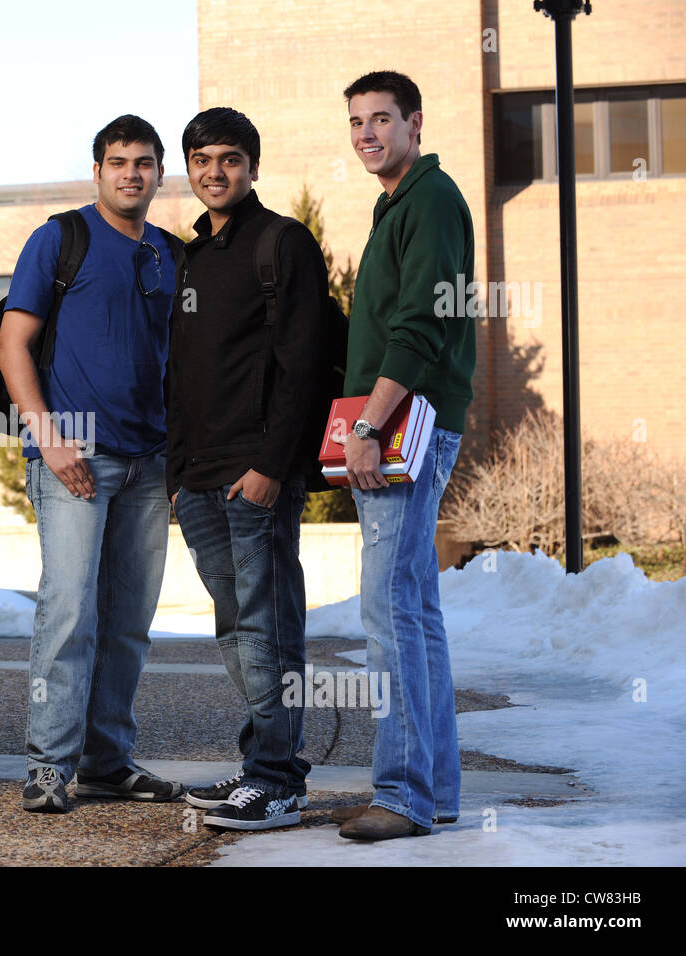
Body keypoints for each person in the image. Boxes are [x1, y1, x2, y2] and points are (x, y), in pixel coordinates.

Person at [0, 114, 184, 813]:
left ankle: (108, 761)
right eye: (117, 162)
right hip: (74, 453)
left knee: (130, 620)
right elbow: (13, 344)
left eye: (142, 162)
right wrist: (47, 436)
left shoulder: (171, 253)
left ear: (159, 172)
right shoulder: (61, 238)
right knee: (69, 610)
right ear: (98, 171)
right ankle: (48, 765)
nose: (130, 173)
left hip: (150, 462)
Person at [166, 107, 328, 830]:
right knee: (236, 631)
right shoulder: (193, 257)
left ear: (252, 166)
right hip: (199, 479)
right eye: (201, 159)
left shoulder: (282, 243)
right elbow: (181, 374)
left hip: (254, 476)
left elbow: (306, 365)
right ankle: (264, 760)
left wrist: (270, 466)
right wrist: (176, 472)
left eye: (229, 158)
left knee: (269, 629)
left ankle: (279, 780)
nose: (214, 172)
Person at [332, 70, 476, 841]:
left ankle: (402, 794)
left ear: (414, 123)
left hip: (404, 423)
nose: (367, 133)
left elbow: (420, 326)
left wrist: (367, 427)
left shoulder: (431, 201)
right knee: (415, 610)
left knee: (388, 611)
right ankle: (436, 792)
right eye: (356, 121)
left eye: (381, 119)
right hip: (400, 419)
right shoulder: (396, 206)